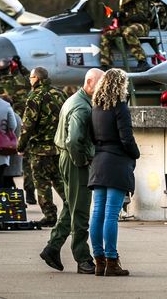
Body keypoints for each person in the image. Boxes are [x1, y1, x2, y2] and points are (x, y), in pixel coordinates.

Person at [40, 68, 104, 274]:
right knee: (80, 212)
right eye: (101, 84)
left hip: (66, 158)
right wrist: (82, 161)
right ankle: (82, 258)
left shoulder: (75, 99)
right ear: (90, 82)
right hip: (75, 161)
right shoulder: (82, 108)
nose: (103, 89)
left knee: (71, 205)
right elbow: (74, 140)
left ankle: (53, 247)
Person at [89, 68, 140, 276]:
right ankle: (112, 260)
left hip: (99, 162)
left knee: (97, 213)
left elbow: (92, 136)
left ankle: (99, 261)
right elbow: (126, 138)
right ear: (120, 85)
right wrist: (135, 154)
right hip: (117, 162)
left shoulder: (95, 107)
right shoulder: (120, 106)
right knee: (111, 214)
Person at [17, 67, 67, 226]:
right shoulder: (59, 93)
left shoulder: (35, 96)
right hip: (59, 147)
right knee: (59, 180)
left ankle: (50, 215)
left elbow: (28, 125)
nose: (30, 80)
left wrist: (20, 146)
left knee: (42, 183)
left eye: (31, 78)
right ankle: (72, 208)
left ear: (37, 79)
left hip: (40, 149)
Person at [0, 56, 36, 205]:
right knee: (28, 162)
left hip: (8, 129)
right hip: (25, 125)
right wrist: (20, 66)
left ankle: (8, 188)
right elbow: (30, 77)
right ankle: (29, 192)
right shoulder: (23, 82)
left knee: (9, 161)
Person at [100, 0, 152, 72]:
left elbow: (143, 16)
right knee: (106, 35)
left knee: (128, 32)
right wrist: (116, 15)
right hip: (128, 26)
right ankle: (105, 65)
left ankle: (142, 62)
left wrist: (123, 16)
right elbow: (124, 16)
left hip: (142, 26)